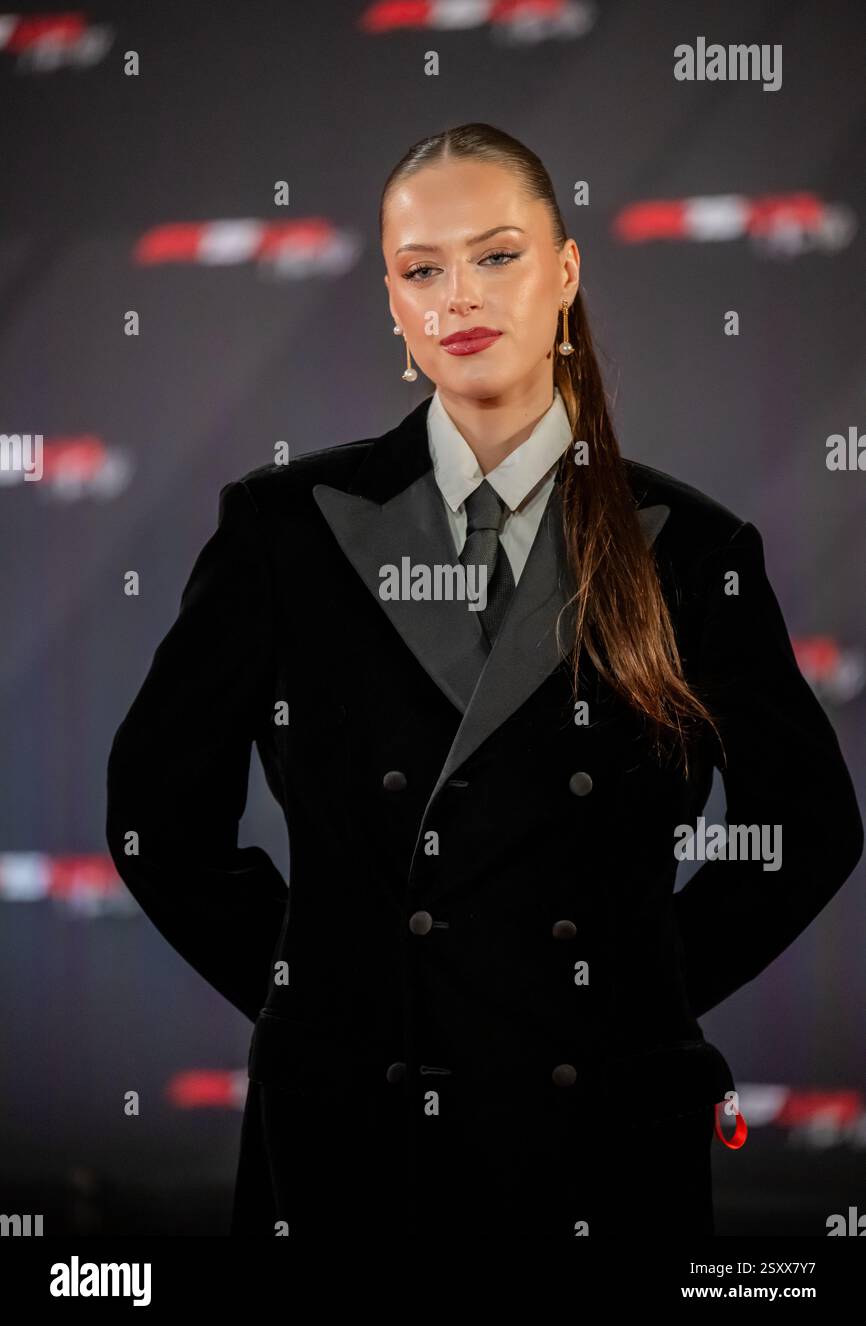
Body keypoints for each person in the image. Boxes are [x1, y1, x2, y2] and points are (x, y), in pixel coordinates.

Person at [105, 122, 863, 1245]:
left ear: (564, 273)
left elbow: (807, 824)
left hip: (603, 1148)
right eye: (423, 269)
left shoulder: (692, 549)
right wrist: (326, 991)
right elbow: (155, 819)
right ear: (394, 305)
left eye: (498, 254)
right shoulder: (282, 531)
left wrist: (627, 996)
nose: (460, 294)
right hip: (351, 1148)